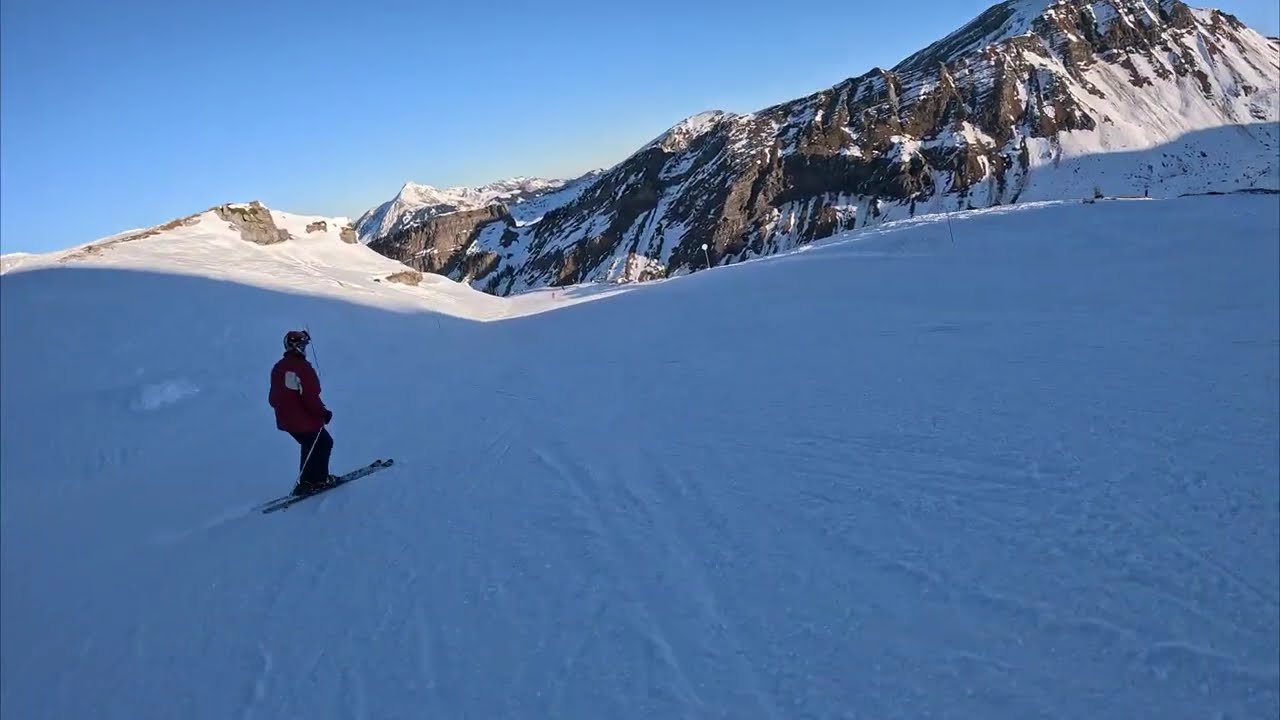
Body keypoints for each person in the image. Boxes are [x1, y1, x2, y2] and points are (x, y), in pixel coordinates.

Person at [269, 330, 336, 495]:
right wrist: (322, 413)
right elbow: (310, 396)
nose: (304, 348)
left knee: (310, 443)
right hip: (303, 419)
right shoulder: (302, 368)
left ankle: (307, 481)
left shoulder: (279, 367)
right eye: (302, 345)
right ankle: (318, 480)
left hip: (286, 420)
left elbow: (273, 398)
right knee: (324, 443)